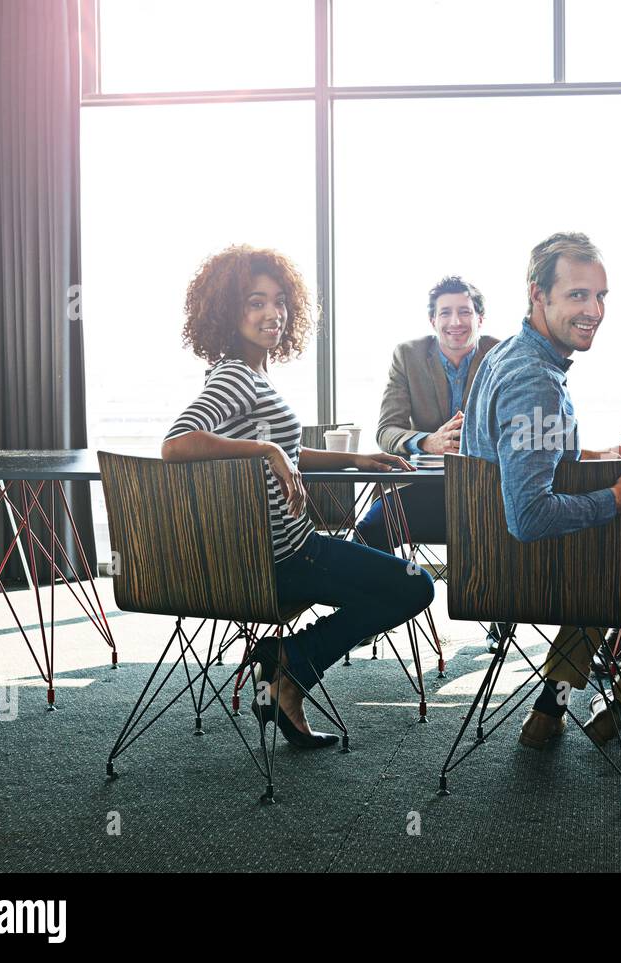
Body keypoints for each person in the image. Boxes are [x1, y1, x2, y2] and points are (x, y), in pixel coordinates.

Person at [162, 245, 434, 748]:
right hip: (285, 556)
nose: (273, 313)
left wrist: (354, 461)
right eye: (255, 302)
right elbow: (176, 443)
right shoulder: (235, 377)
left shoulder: (255, 375)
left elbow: (289, 452)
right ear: (227, 312)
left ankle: (289, 673)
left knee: (393, 585)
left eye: (280, 300)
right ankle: (290, 661)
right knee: (413, 588)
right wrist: (267, 449)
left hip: (286, 549)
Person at [461, 232, 621, 749]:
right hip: (528, 568)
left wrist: (594, 461)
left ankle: (549, 711)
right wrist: (616, 498)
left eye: (600, 296)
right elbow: (530, 516)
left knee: (608, 549)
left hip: (490, 559)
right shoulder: (536, 381)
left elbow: (527, 460)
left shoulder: (507, 355)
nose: (594, 310)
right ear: (539, 294)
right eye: (578, 294)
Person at [359, 275, 499, 548]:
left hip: (487, 489)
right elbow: (386, 431)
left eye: (465, 312)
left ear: (480, 319)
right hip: (423, 488)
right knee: (370, 530)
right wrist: (428, 441)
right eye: (445, 312)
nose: (455, 322)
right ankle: (397, 590)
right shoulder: (408, 355)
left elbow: (517, 428)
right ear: (432, 320)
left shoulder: (501, 354)